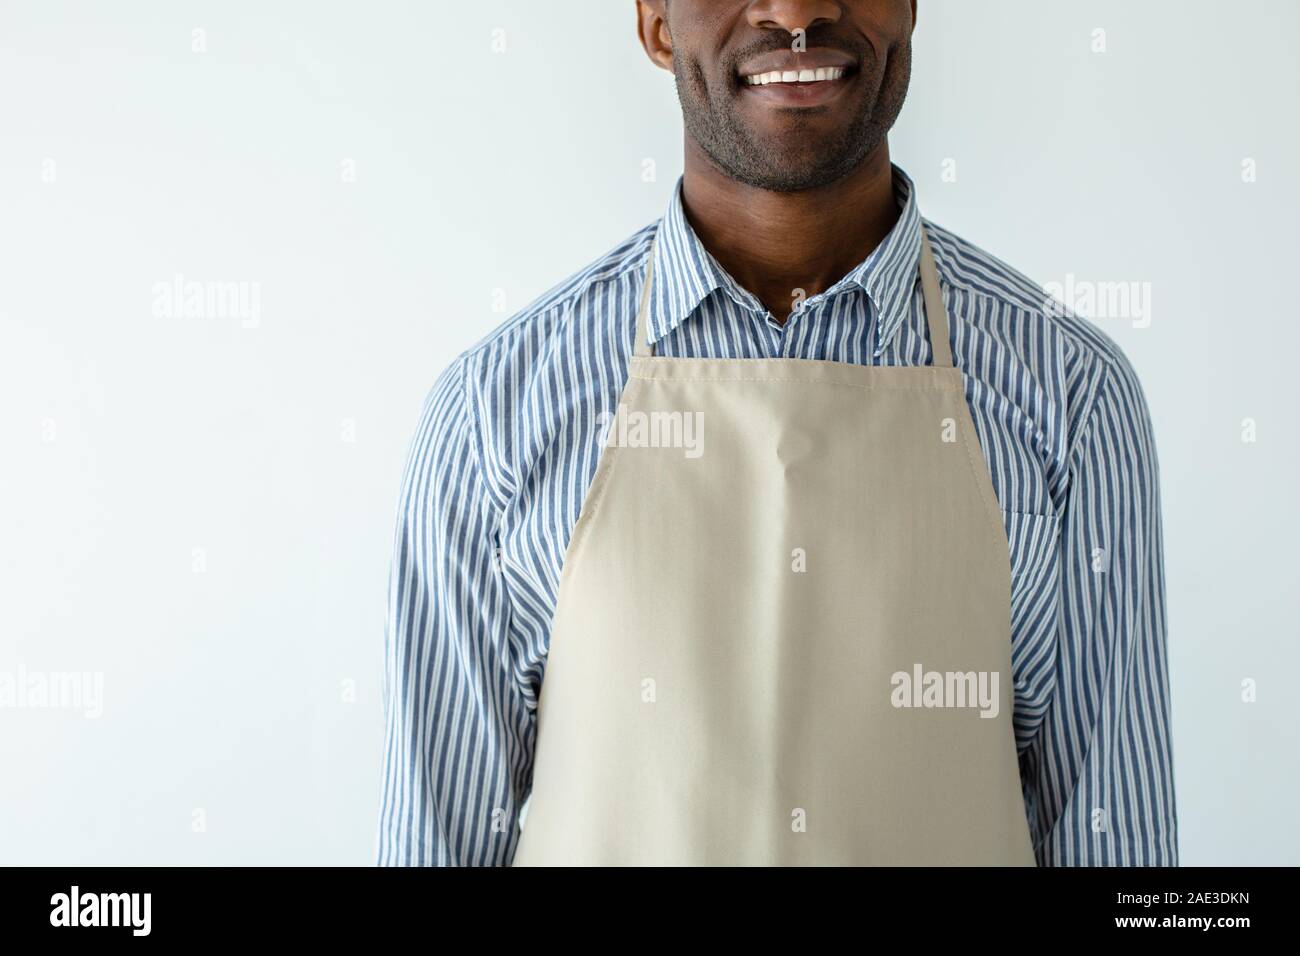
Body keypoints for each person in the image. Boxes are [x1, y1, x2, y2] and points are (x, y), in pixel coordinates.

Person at [376, 0, 1177, 866]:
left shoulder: (1074, 400)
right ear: (654, 20)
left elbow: (1120, 852)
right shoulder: (490, 417)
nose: (798, 12)